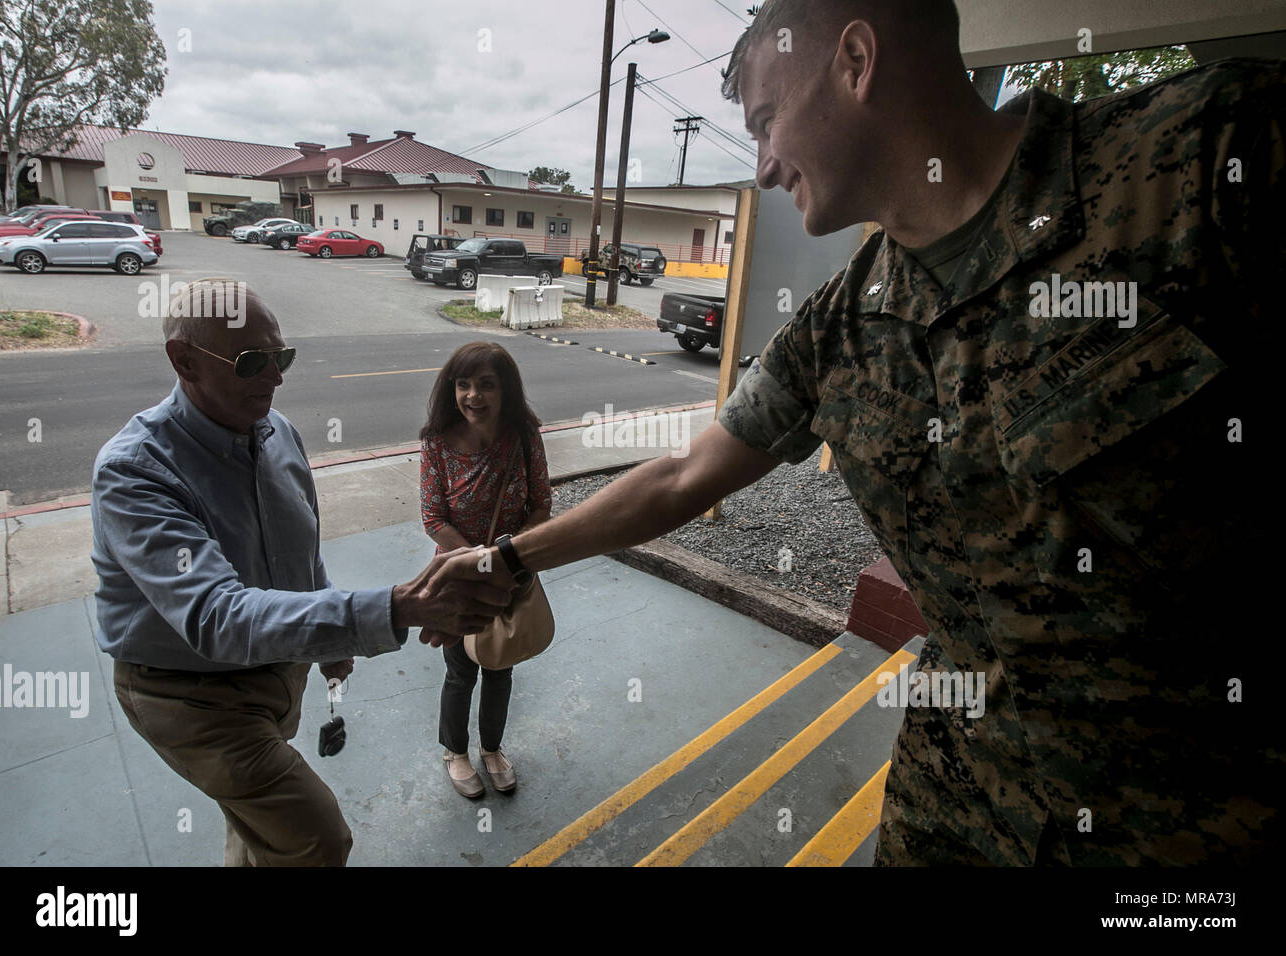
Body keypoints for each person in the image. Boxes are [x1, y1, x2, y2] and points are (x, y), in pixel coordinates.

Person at [416, 0, 1280, 864]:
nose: (760, 169)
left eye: (764, 124)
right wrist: (507, 560)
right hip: (966, 799)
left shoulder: (1205, 163)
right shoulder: (837, 327)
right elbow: (684, 476)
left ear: (857, 62)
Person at [90, 279, 512, 866]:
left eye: (281, 356)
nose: (276, 375)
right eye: (252, 361)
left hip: (274, 671)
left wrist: (329, 641)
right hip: (188, 695)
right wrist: (397, 607)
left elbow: (300, 556)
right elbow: (217, 618)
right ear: (183, 360)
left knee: (259, 827)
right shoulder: (135, 471)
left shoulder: (278, 433)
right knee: (314, 836)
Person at [418, 342, 552, 798]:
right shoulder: (436, 442)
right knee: (460, 671)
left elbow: (541, 507)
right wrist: (478, 561)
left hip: (512, 573)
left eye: (486, 384)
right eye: (463, 384)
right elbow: (434, 518)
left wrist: (508, 561)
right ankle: (455, 752)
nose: (473, 395)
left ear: (506, 390)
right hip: (457, 577)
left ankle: (492, 749)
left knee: (500, 666)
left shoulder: (524, 438)